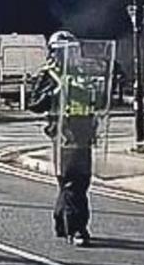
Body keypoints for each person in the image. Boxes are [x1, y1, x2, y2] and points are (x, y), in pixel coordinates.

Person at [27, 30, 104, 246]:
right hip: (64, 135)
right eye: (66, 52)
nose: (71, 56)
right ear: (55, 53)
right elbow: (34, 104)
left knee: (76, 183)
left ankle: (61, 222)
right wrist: (53, 95)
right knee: (73, 182)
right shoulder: (49, 75)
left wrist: (99, 92)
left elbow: (97, 100)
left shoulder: (82, 73)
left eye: (74, 51)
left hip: (84, 135)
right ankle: (78, 228)